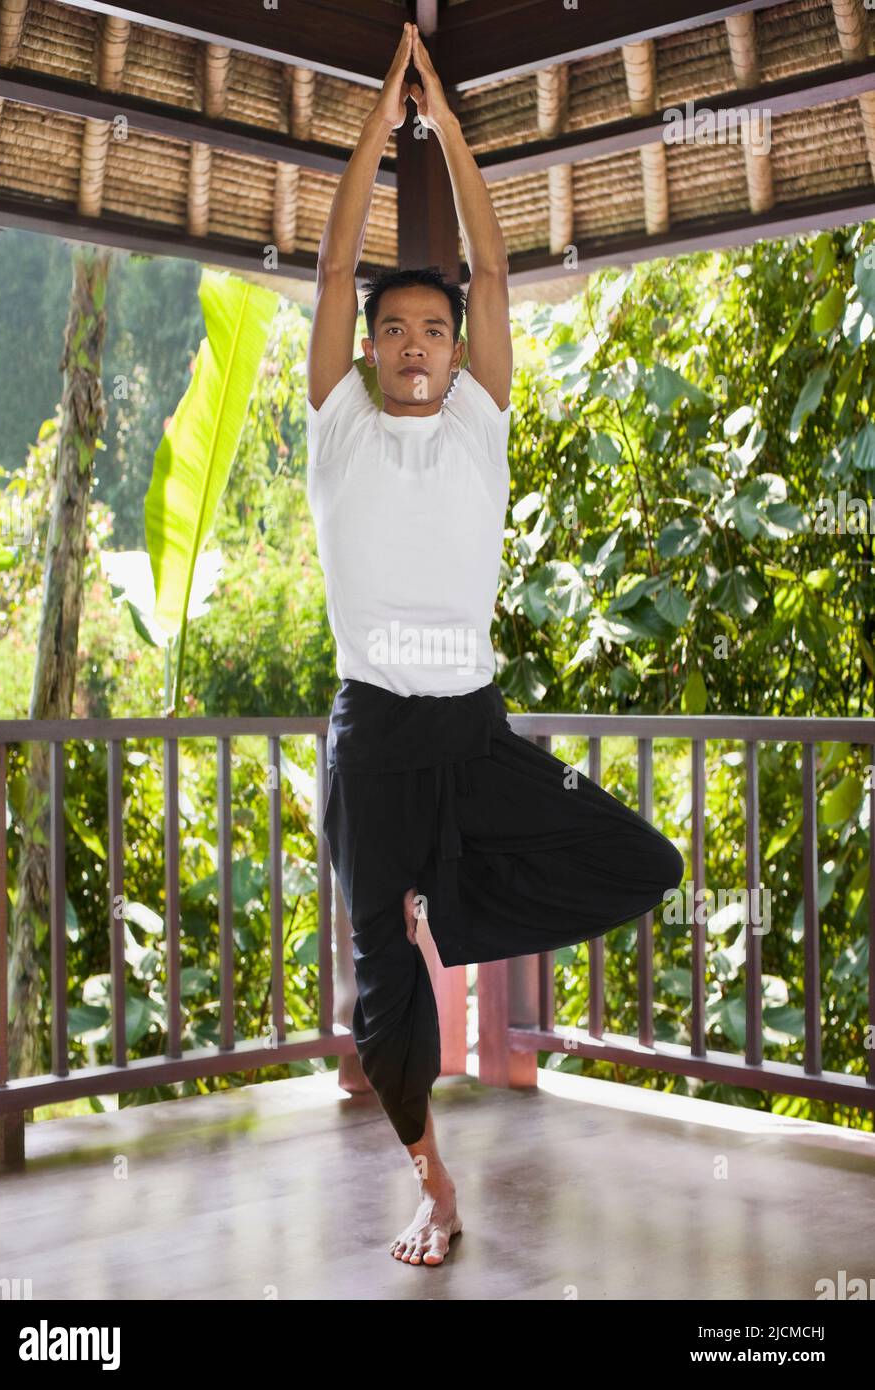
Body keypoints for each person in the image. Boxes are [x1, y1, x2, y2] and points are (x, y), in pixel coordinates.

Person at [305, 22, 685, 1267]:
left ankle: (450, 909)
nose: (414, 344)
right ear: (368, 348)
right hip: (375, 741)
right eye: (394, 330)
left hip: (477, 734)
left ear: (458, 352)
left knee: (639, 854)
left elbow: (499, 270)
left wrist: (450, 128)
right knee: (384, 1000)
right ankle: (434, 1184)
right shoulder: (337, 432)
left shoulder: (479, 424)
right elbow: (327, 264)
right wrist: (382, 122)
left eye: (434, 329)